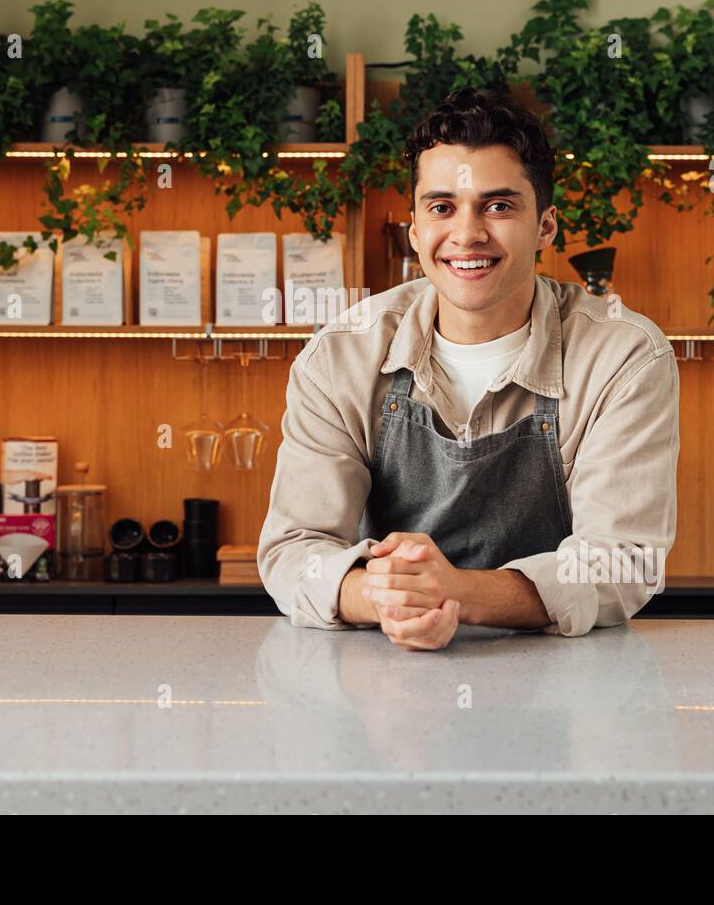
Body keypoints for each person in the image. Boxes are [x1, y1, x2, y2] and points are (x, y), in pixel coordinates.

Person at [258, 87, 679, 649]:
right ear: (414, 229)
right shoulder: (339, 357)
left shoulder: (622, 357)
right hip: (384, 683)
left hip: (565, 684)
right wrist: (387, 598)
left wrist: (454, 593)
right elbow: (294, 550)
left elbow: (622, 562)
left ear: (547, 226)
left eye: (499, 206)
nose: (467, 234)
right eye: (442, 207)